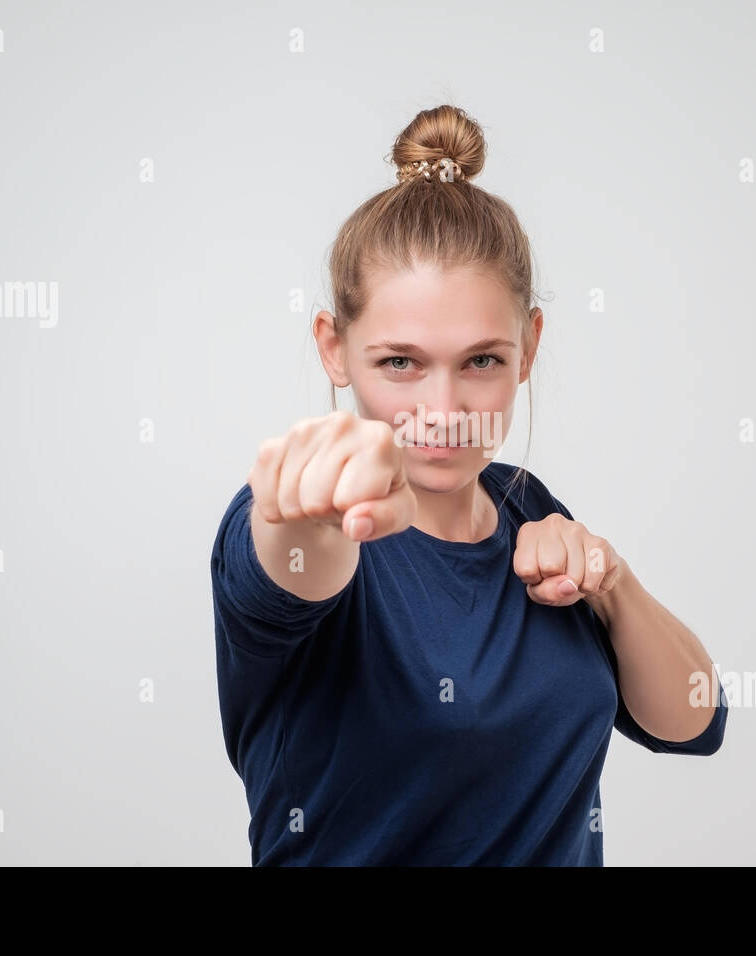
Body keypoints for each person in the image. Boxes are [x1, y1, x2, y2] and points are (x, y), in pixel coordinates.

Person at [211, 104, 728, 866]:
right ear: (333, 348)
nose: (445, 412)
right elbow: (297, 555)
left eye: (481, 360)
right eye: (400, 363)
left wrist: (608, 582)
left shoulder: (530, 506)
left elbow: (695, 723)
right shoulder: (302, 523)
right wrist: (309, 506)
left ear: (528, 347)